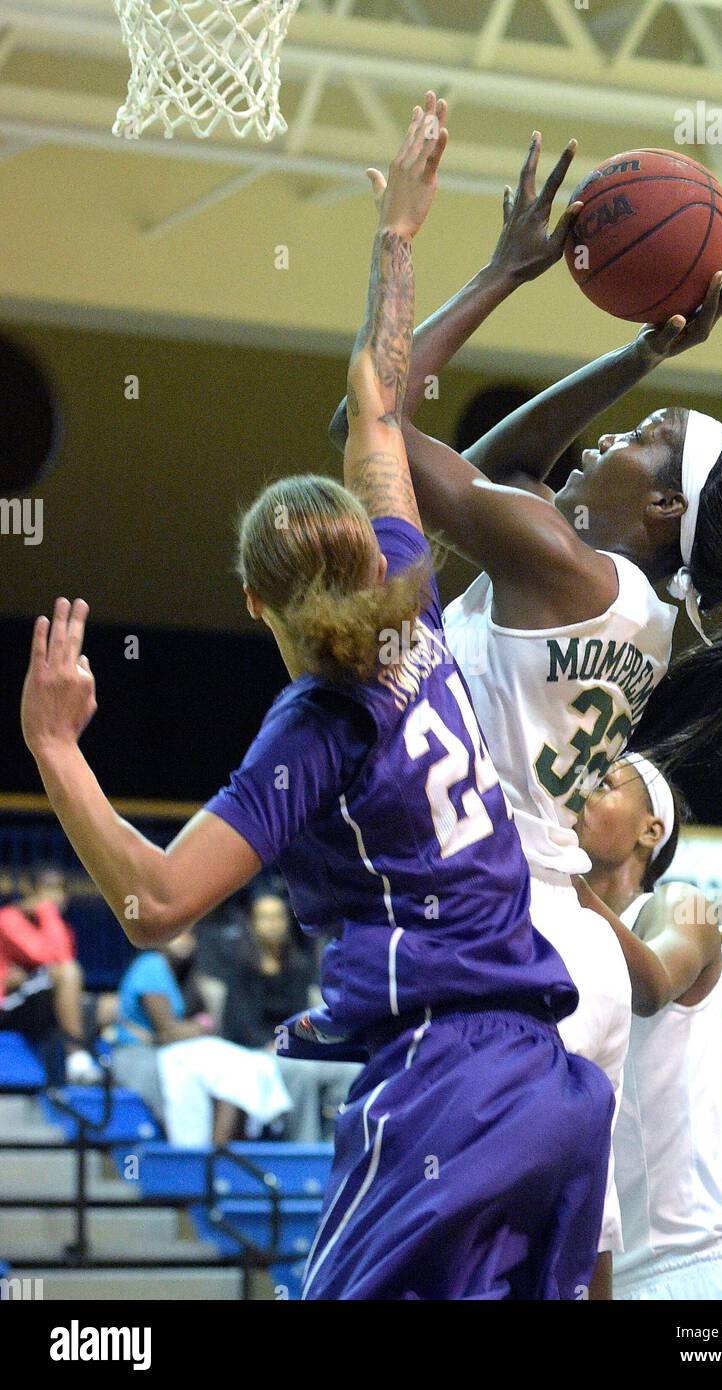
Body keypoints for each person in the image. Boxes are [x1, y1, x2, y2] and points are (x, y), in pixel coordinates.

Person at [19, 93, 614, 1302]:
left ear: (251, 602)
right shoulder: (407, 583)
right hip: (555, 1090)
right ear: (361, 547)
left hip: (451, 1083)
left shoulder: (315, 727)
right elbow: (380, 391)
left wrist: (54, 745)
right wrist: (423, 239)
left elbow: (152, 901)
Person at [330, 127, 722, 1294]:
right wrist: (642, 351)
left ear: (658, 515)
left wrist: (493, 269)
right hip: (554, 956)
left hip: (500, 946)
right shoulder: (619, 595)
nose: (607, 438)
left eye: (641, 444)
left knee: (390, 1270)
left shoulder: (569, 566)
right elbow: (484, 465)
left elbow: (368, 431)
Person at [574, 756, 722, 1300]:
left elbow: (654, 984)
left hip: (695, 1274)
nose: (580, 792)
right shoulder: (561, 943)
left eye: (604, 783)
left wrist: (555, 869)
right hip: (604, 1280)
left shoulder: (679, 906)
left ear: (651, 830)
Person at [112, 930, 292, 1147]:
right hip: (139, 1058)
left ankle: (222, 1154)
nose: (184, 939)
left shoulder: (184, 972)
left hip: (165, 1053)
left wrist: (197, 1026)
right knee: (228, 1069)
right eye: (177, 933)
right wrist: (199, 1027)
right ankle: (210, 1157)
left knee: (240, 1069)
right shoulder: (152, 965)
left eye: (190, 934)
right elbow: (167, 1032)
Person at [222, 892, 360, 1142]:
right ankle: (303, 1148)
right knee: (302, 1074)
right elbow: (239, 1022)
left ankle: (336, 1145)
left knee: (347, 1071)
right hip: (252, 1050)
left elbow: (300, 1016)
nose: (273, 924)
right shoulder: (239, 966)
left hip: (288, 1046)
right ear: (253, 924)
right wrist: (271, 1044)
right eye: (265, 918)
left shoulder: (299, 965)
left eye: (278, 917)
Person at [0, 866, 101, 1082]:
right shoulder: (8, 918)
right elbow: (47, 958)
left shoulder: (57, 927)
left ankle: (105, 1071)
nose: (56, 896)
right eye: (48, 888)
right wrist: (48, 910)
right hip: (8, 1008)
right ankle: (77, 1057)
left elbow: (61, 957)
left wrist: (49, 917)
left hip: (39, 1004)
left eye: (61, 890)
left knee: (111, 1006)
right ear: (31, 891)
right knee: (68, 973)